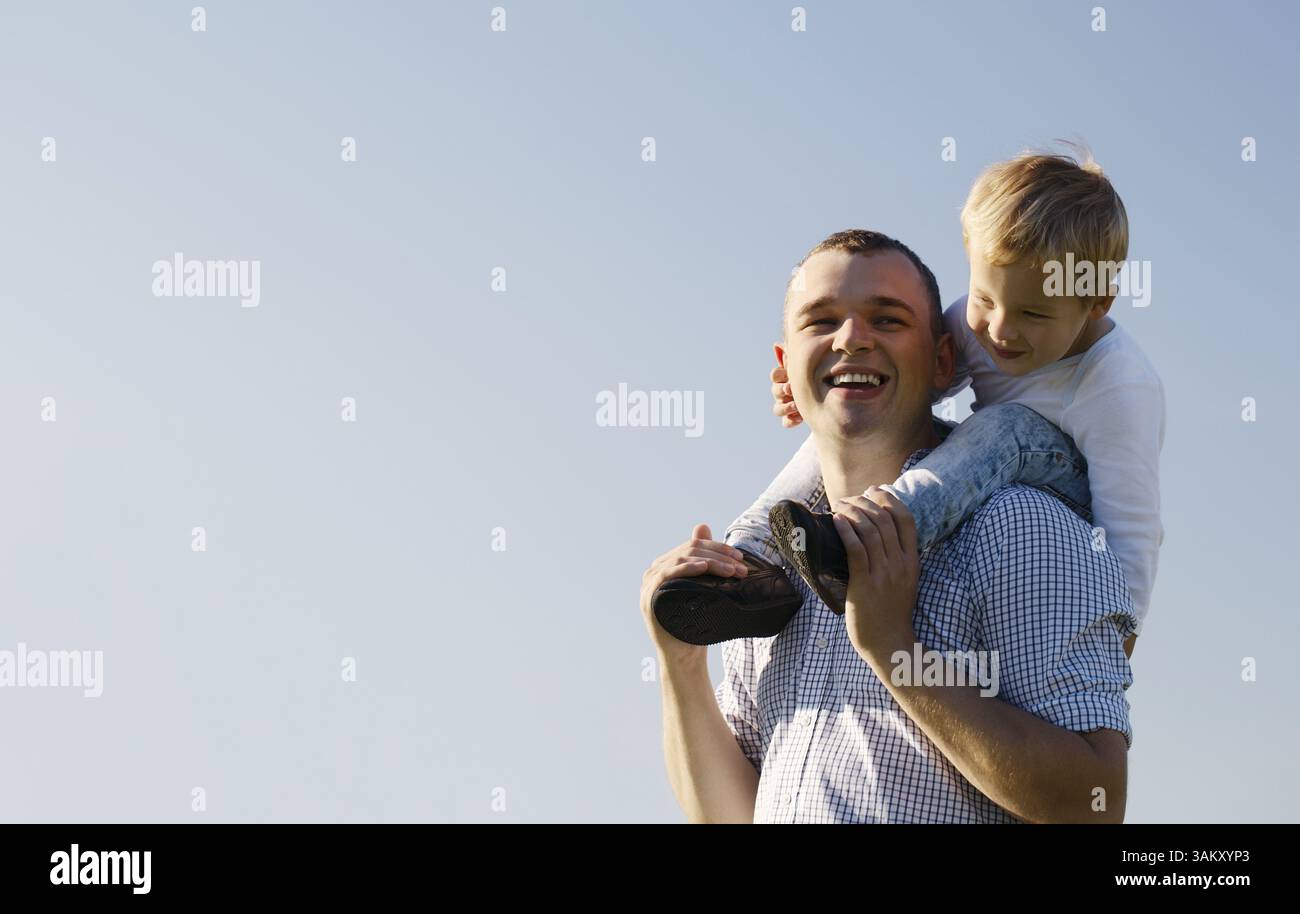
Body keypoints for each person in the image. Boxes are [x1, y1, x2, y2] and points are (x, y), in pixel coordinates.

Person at [639, 229, 1136, 822]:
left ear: (943, 360)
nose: (851, 339)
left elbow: (1094, 803)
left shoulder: (1020, 526)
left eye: (888, 319)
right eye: (821, 321)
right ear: (786, 367)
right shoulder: (763, 581)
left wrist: (893, 648)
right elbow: (730, 816)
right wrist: (681, 664)